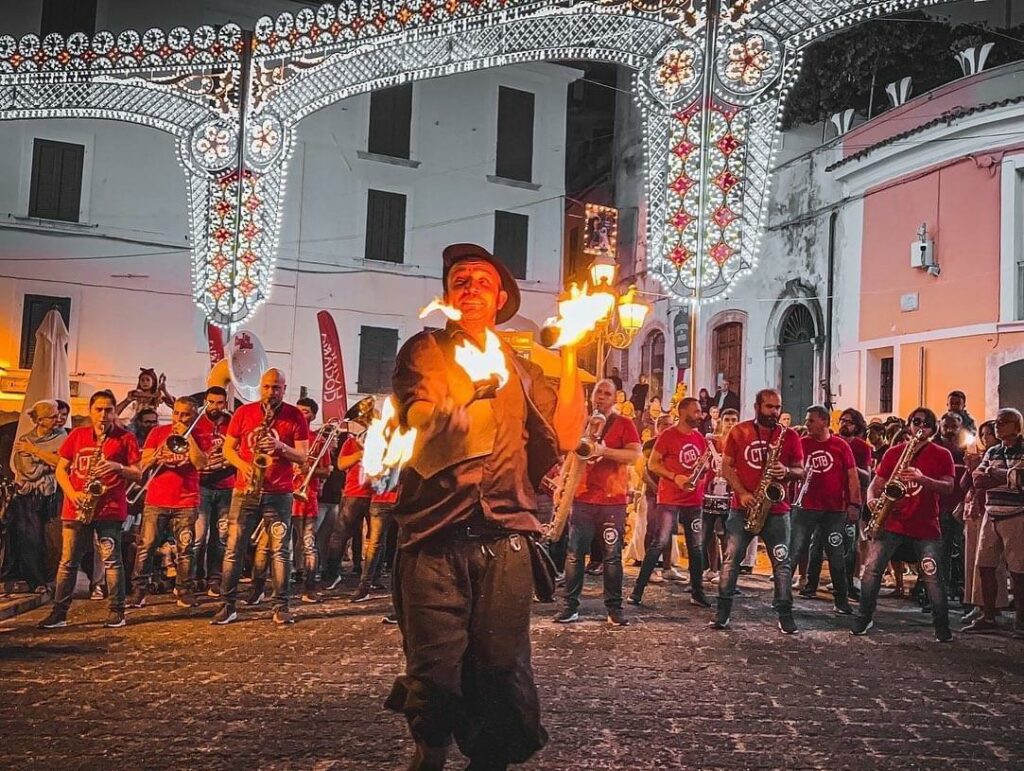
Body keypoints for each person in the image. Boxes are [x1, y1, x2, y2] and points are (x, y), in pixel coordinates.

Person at [384, 243, 584, 770]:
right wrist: (448, 409)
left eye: (481, 281)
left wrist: (570, 353)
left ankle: (488, 761)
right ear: (448, 295)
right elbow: (419, 410)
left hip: (505, 539)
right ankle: (429, 755)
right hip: (434, 539)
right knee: (434, 670)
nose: (469, 287)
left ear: (500, 299)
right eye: (460, 280)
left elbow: (565, 432)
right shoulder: (426, 348)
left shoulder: (521, 368)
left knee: (500, 669)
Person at [211, 368, 310, 626]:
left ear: (284, 389)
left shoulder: (295, 415)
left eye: (276, 387)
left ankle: (281, 606)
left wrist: (281, 447)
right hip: (245, 489)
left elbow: (302, 456)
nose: (271, 392)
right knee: (233, 549)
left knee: (280, 551)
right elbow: (228, 449)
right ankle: (227, 605)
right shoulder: (244, 413)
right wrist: (243, 465)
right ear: (260, 388)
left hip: (279, 493)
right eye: (266, 387)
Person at [38, 390, 141, 629]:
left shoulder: (125, 438)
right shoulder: (77, 435)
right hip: (76, 507)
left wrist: (117, 466)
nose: (103, 415)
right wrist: (72, 494)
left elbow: (138, 473)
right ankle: (60, 612)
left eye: (109, 410)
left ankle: (117, 610)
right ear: (90, 411)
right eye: (99, 410)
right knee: (67, 562)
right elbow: (61, 469)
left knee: (112, 562)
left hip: (110, 509)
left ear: (115, 412)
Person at [853, 407, 955, 641]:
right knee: (871, 570)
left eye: (926, 423)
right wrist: (871, 500)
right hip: (892, 522)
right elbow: (876, 483)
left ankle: (942, 627)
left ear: (933, 428)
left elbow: (948, 487)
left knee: (933, 577)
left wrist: (922, 479)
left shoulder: (941, 454)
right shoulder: (894, 453)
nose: (921, 426)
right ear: (909, 425)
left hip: (925, 525)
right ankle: (863, 618)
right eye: (916, 421)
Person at [711, 388, 804, 634]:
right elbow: (727, 467)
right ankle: (722, 612)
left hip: (777, 510)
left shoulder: (789, 435)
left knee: (782, 563)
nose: (774, 412)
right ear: (757, 407)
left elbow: (800, 470)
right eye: (769, 407)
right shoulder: (739, 431)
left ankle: (785, 613)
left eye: (777, 407)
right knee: (731, 561)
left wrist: (786, 472)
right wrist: (742, 492)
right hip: (742, 508)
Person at [557, 379, 641, 626]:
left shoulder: (624, 424)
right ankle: (569, 607)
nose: (601, 397)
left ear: (615, 399)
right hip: (582, 497)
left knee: (612, 556)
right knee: (574, 555)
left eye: (607, 394)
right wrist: (562, 485)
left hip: (612, 500)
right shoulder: (582, 422)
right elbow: (572, 456)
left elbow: (635, 455)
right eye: (598, 393)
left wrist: (605, 452)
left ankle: (614, 609)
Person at [126, 396, 208, 610]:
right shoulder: (158, 433)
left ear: (193, 415)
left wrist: (187, 437)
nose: (179, 418)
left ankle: (184, 591)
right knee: (146, 547)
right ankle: (139, 591)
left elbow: (200, 463)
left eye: (185, 414)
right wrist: (156, 455)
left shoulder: (200, 434)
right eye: (176, 413)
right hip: (157, 499)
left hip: (186, 500)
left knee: (185, 548)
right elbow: (142, 466)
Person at [630, 397, 712, 608]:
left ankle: (697, 591)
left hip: (693, 499)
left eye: (699, 411)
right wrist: (676, 477)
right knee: (659, 542)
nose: (699, 415)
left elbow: (702, 465)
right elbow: (653, 464)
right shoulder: (668, 436)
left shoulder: (699, 438)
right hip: (670, 498)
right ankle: (637, 591)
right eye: (695, 411)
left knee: (696, 546)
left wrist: (703, 471)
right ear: (682, 412)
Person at [790, 405, 861, 615]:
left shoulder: (840, 446)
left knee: (836, 554)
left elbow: (852, 477)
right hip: (805, 507)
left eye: (811, 420)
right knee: (794, 551)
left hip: (833, 510)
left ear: (824, 421)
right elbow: (792, 468)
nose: (807, 424)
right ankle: (783, 598)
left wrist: (854, 503)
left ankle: (841, 600)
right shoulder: (802, 443)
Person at [965, 408, 1024, 637]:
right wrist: (1003, 474)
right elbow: (978, 479)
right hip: (991, 513)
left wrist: (995, 473)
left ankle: (1021, 620)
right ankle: (989, 615)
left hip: (1016, 513)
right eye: (997, 422)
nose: (998, 425)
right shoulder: (992, 450)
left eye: (1004, 422)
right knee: (986, 565)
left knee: (1019, 571)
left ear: (1017, 426)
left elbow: (1019, 480)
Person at [8, 400, 66, 592]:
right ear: (40, 420)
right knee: (31, 540)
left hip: (52, 494)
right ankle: (37, 582)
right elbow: (28, 471)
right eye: (53, 416)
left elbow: (63, 462)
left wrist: (35, 452)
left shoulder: (61, 435)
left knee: (55, 541)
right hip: (29, 496)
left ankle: (49, 578)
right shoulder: (25, 439)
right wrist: (49, 460)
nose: (58, 419)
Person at [321, 406, 374, 590]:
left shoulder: (384, 442)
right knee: (340, 535)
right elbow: (341, 465)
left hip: (376, 495)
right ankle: (332, 573)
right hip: (354, 493)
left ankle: (368, 576)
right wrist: (361, 453)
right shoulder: (352, 443)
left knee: (373, 539)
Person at [960, 420, 1005, 625]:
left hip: (992, 510)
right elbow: (967, 483)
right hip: (973, 511)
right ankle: (976, 604)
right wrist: (971, 468)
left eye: (989, 434)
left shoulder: (1000, 455)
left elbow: (993, 482)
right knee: (974, 561)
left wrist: (983, 473)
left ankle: (993, 606)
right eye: (983, 434)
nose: (986, 438)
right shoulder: (984, 456)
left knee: (991, 563)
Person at [193, 386, 235, 595]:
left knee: (221, 536)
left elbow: (241, 450)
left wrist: (227, 459)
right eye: (211, 402)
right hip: (202, 485)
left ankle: (214, 578)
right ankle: (196, 576)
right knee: (199, 536)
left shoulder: (232, 423)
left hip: (226, 485)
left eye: (219, 402)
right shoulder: (197, 423)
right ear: (205, 401)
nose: (215, 407)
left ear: (225, 403)